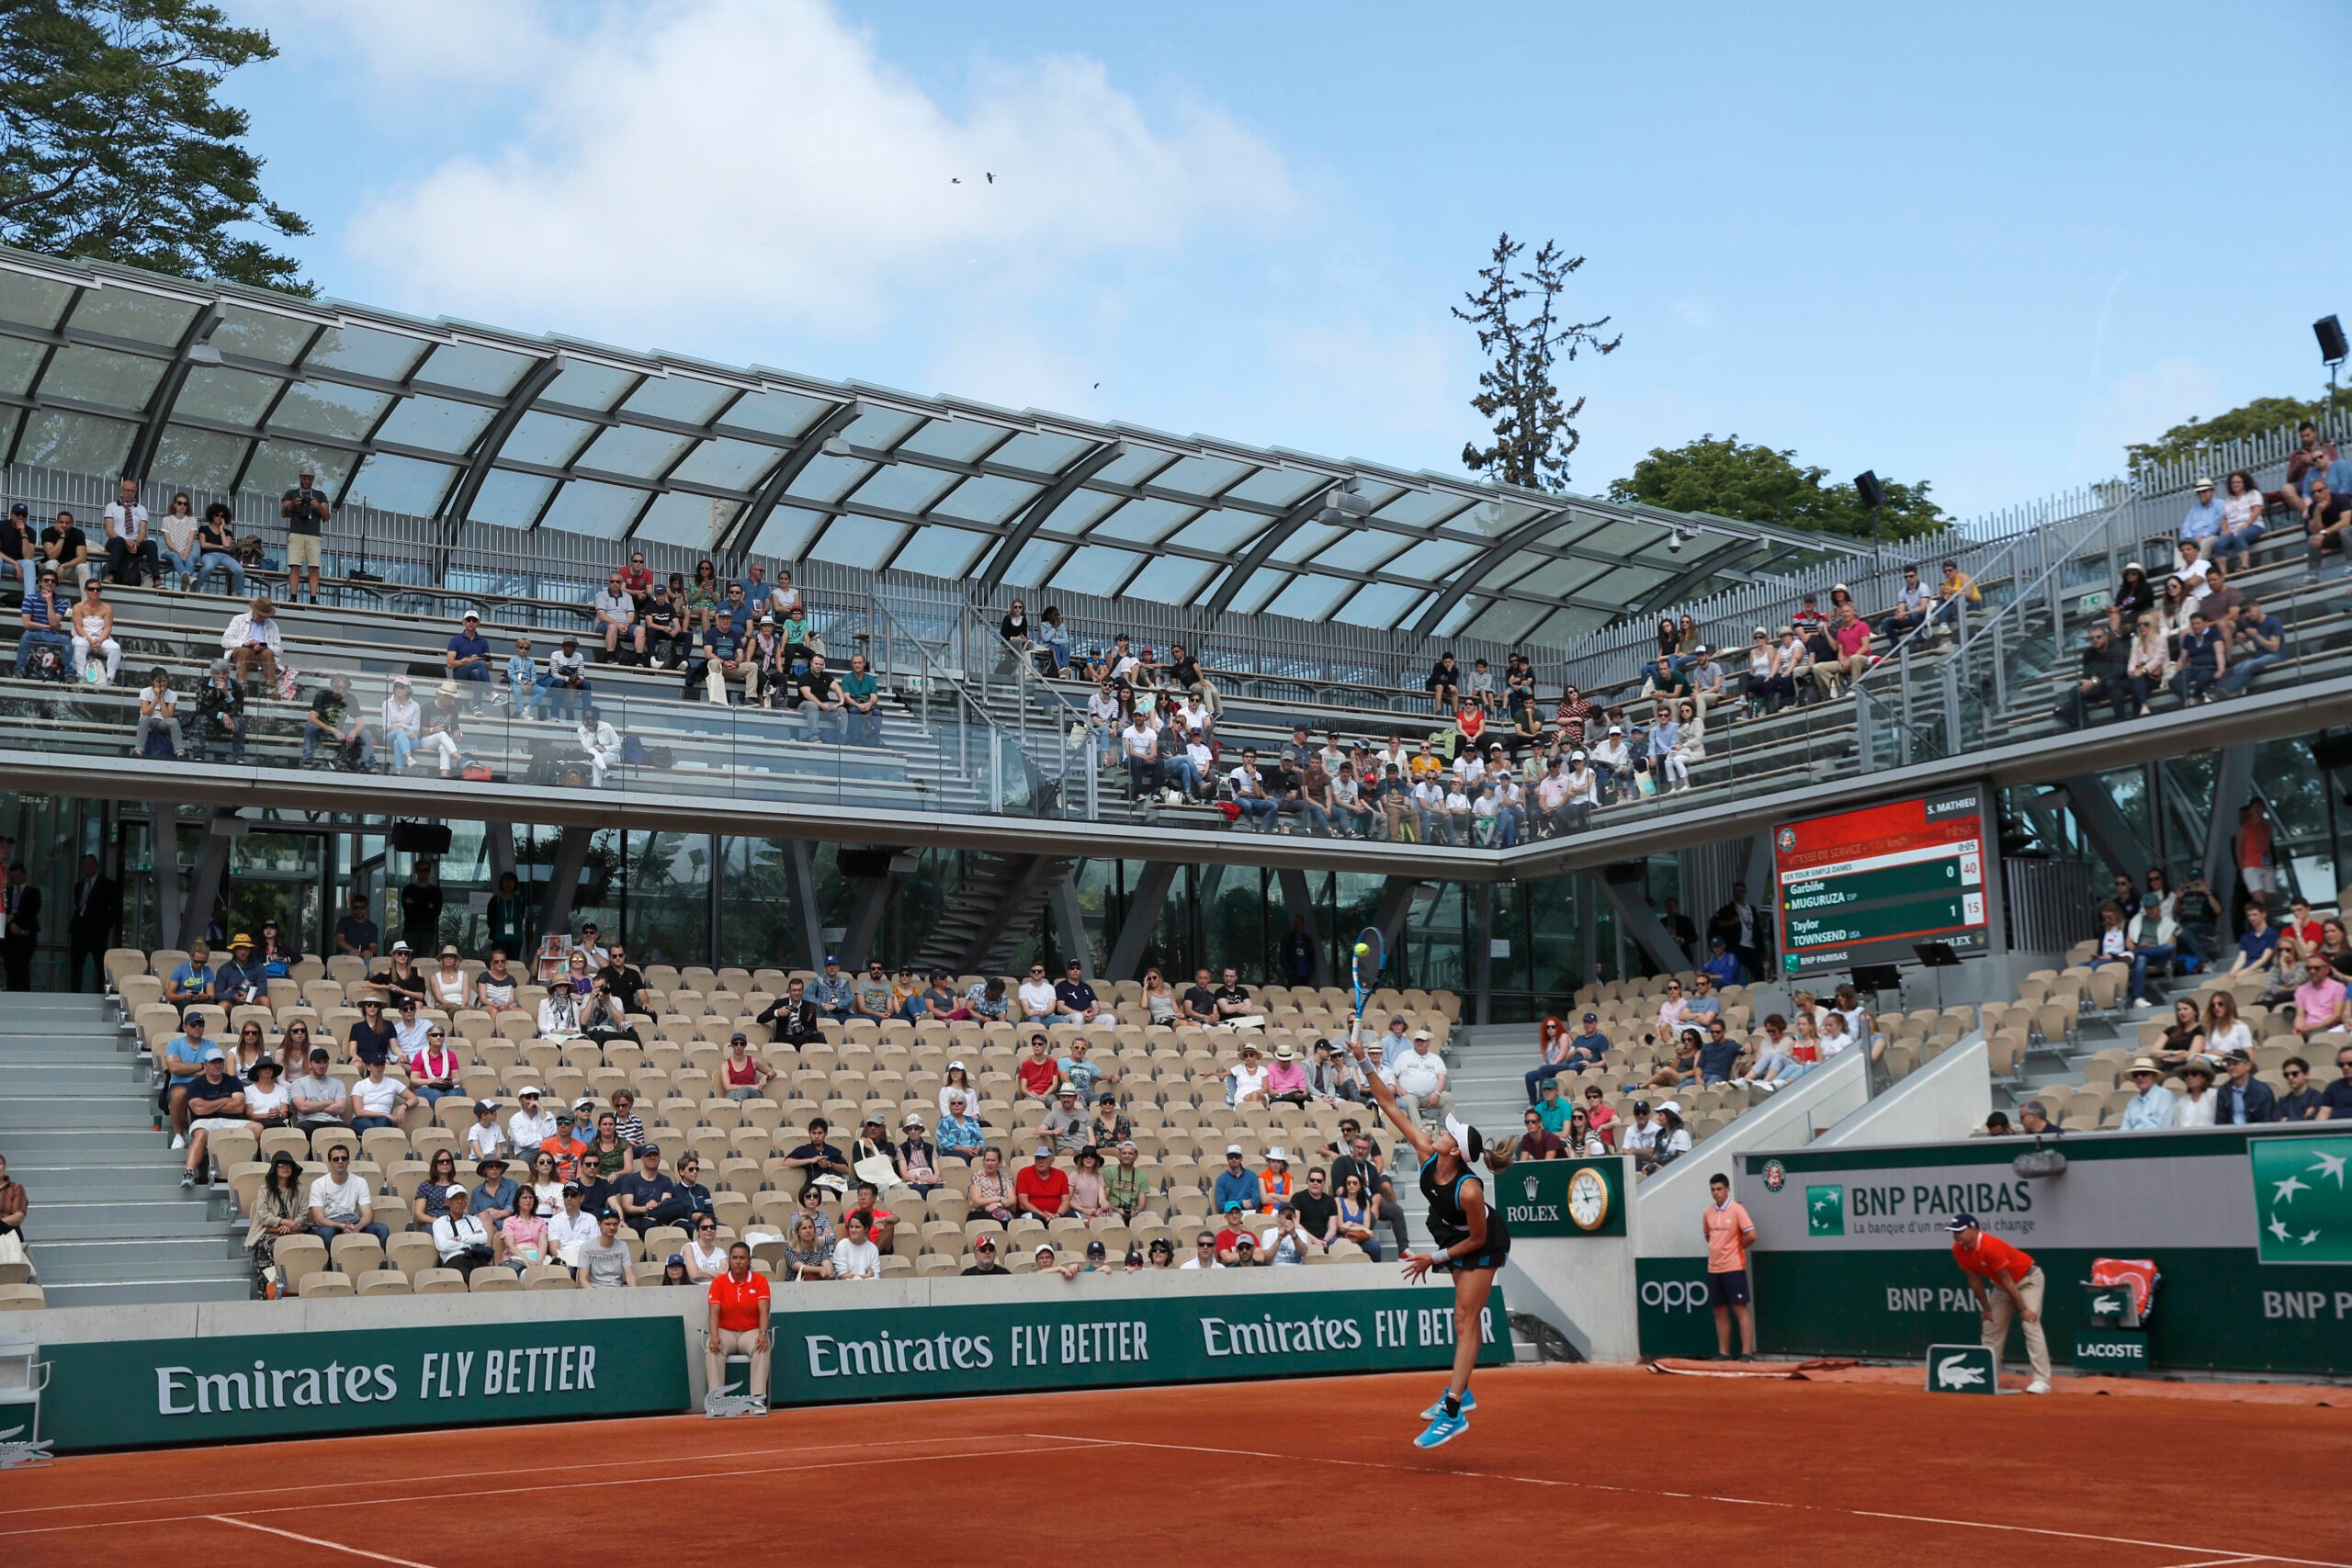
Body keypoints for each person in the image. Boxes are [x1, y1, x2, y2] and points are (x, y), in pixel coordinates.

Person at [1347, 1025, 1510, 1448]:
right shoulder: (1424, 1151)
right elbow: (1388, 1102)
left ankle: (1453, 1410)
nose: (1438, 1131)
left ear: (1455, 1151)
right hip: (1452, 1234)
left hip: (1483, 1242)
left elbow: (1477, 1240)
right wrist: (1363, 1059)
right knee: (1464, 1319)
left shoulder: (1469, 1190)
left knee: (1465, 1318)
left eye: (1447, 1133)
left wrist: (1433, 1258)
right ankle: (1463, 1389)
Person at [1947, 1213, 2049, 1393]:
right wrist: (1986, 1309)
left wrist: (2023, 1309)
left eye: (1960, 1231)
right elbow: (1974, 1280)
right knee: (1991, 1325)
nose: (1956, 1235)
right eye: (1954, 1231)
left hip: (2028, 1280)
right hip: (2003, 1286)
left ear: (1974, 1230)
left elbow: (2007, 1280)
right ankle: (1988, 1377)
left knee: (2030, 1323)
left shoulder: (1990, 1246)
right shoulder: (1958, 1250)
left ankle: (2042, 1381)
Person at [706, 1242, 773, 1413]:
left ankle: (756, 1401)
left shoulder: (760, 1280)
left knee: (762, 1347)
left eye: (742, 1258)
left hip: (751, 1331)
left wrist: (763, 1334)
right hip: (725, 1331)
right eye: (734, 1258)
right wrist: (714, 1336)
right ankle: (716, 1403)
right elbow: (713, 1312)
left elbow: (764, 1311)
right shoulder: (719, 1282)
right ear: (729, 1260)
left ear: (749, 1260)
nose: (738, 1262)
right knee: (713, 1348)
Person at [1702, 1172, 1758, 1361]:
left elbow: (1752, 1235)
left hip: (1733, 1267)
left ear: (1727, 1189)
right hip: (1714, 1268)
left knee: (1740, 1309)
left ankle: (1747, 1354)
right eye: (1713, 1190)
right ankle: (1724, 1353)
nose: (1716, 1193)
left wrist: (1736, 1247)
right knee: (1719, 1311)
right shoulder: (1708, 1212)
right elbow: (1708, 1236)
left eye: (1719, 1189)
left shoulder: (1737, 1210)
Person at [306, 1145, 389, 1248]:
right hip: (330, 1224)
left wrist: (357, 1227)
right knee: (327, 1233)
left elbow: (368, 1214)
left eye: (344, 1158)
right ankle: (331, 1259)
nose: (340, 1161)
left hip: (353, 1222)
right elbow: (319, 1218)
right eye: (336, 1159)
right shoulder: (318, 1184)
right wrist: (341, 1226)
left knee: (382, 1229)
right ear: (330, 1162)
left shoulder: (360, 1182)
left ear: (348, 1161)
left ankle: (375, 1258)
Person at [280, 467, 330, 604]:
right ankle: (293, 597)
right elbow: (283, 513)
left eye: (309, 478)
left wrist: (317, 505)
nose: (307, 481)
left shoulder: (319, 495)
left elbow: (326, 516)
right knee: (294, 566)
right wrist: (293, 503)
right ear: (300, 478)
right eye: (304, 478)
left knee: (314, 567)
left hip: (314, 535)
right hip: (296, 533)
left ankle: (313, 599)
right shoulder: (291, 493)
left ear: (313, 479)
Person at [577, 1209, 637, 1289]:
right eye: (607, 1224)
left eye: (615, 1224)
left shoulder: (623, 1246)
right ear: (599, 1224)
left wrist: (634, 1292)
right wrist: (595, 1295)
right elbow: (583, 1280)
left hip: (618, 1289)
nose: (612, 1227)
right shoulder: (587, 1247)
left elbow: (630, 1275)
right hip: (595, 1290)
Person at [831, 1211, 881, 1280]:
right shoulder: (842, 1245)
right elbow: (843, 1276)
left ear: (866, 1228)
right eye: (851, 1226)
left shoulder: (873, 1248)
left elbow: (876, 1277)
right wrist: (866, 1276)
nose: (853, 1230)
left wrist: (859, 1277)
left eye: (857, 1227)